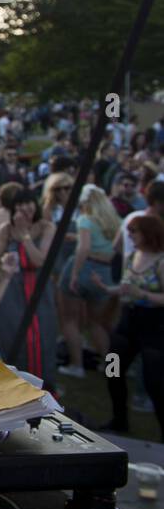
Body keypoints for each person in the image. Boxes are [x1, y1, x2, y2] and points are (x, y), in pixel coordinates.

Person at [96, 214, 164, 438]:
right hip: (127, 324)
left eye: (135, 231)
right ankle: (119, 419)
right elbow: (125, 287)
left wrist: (143, 294)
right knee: (113, 368)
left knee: (154, 382)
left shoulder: (160, 262)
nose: (130, 235)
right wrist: (107, 289)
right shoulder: (132, 256)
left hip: (152, 326)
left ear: (148, 234)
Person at [0, 188, 58, 384]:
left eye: (28, 203)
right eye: (19, 205)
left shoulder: (47, 227)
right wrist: (2, 263)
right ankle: (16, 380)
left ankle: (44, 382)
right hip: (13, 289)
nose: (24, 208)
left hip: (38, 289)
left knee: (42, 335)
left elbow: (40, 261)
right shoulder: (6, 229)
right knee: (12, 333)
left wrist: (25, 238)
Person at [57, 185, 122, 379]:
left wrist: (75, 274)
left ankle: (77, 366)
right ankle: (112, 368)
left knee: (69, 321)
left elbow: (83, 248)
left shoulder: (85, 219)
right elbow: (112, 248)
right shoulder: (115, 221)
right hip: (104, 272)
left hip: (83, 269)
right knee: (98, 324)